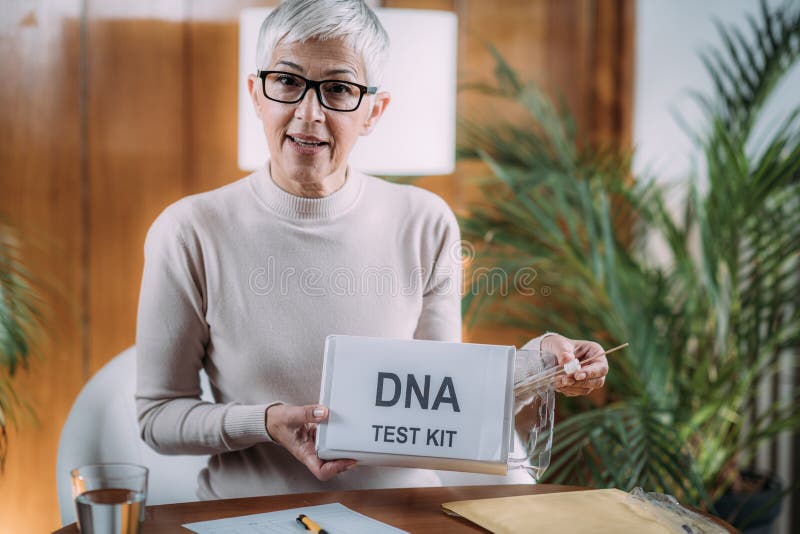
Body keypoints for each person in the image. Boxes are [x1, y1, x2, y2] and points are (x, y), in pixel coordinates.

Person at [135, 0, 609, 500]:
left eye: (339, 88)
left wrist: (543, 363)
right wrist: (267, 421)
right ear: (257, 94)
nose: (309, 113)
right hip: (251, 518)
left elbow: (442, 402)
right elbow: (158, 418)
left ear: (373, 112)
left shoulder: (424, 222)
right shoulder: (190, 231)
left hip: (403, 515)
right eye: (287, 82)